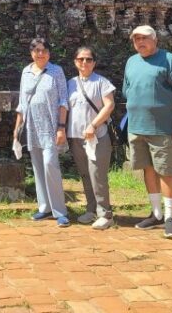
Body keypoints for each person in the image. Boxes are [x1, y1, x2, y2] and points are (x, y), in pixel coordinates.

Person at [123, 25, 172, 240]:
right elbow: (128, 90)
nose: (140, 43)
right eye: (136, 40)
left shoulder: (169, 60)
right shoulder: (131, 62)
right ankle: (156, 213)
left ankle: (170, 217)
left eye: (144, 38)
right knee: (148, 169)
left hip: (163, 128)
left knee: (167, 170)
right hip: (137, 127)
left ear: (155, 40)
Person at [12, 37, 71, 228]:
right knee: (37, 166)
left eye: (44, 50)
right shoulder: (26, 72)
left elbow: (63, 100)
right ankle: (44, 207)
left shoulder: (56, 71)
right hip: (31, 126)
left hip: (51, 126)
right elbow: (22, 102)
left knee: (50, 165)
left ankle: (60, 211)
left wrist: (61, 127)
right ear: (31, 53)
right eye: (36, 50)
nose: (40, 54)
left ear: (49, 53)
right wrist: (17, 127)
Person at [66, 46, 116, 230]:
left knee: (98, 174)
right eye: (81, 59)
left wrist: (93, 125)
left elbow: (109, 105)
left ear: (94, 63)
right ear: (75, 62)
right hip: (77, 138)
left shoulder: (102, 82)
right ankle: (91, 209)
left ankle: (106, 213)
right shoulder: (70, 83)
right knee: (85, 174)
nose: (84, 62)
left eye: (88, 59)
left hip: (98, 136)